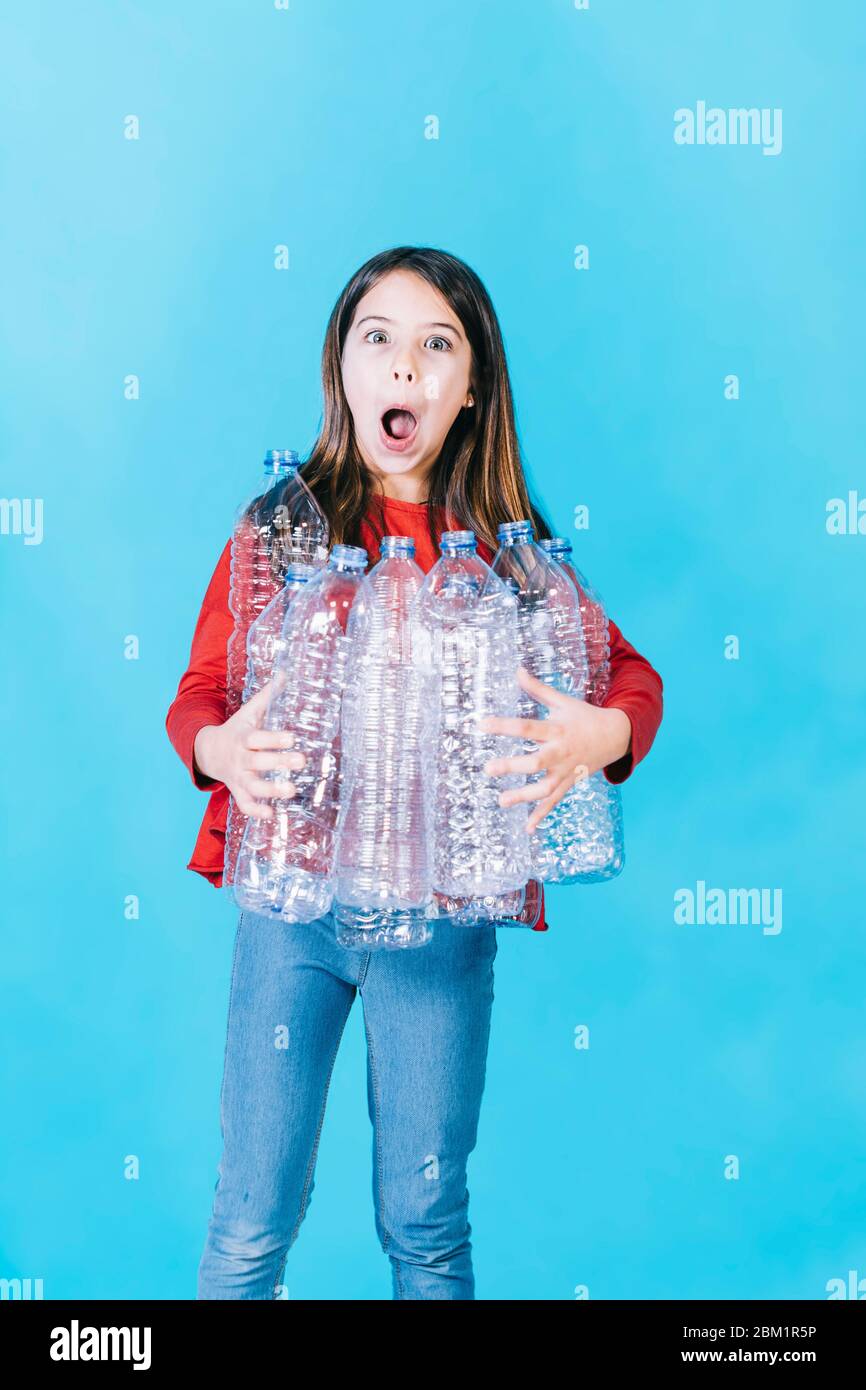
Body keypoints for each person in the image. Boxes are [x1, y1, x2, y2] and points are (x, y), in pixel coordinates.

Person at [165, 245, 664, 1299]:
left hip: (440, 925)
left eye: (437, 345)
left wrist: (596, 738)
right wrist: (216, 750)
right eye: (376, 339)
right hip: (293, 915)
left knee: (425, 1223)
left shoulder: (508, 555)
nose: (404, 368)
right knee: (252, 1215)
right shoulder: (282, 531)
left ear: (471, 383)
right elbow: (199, 693)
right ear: (339, 369)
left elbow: (629, 679)